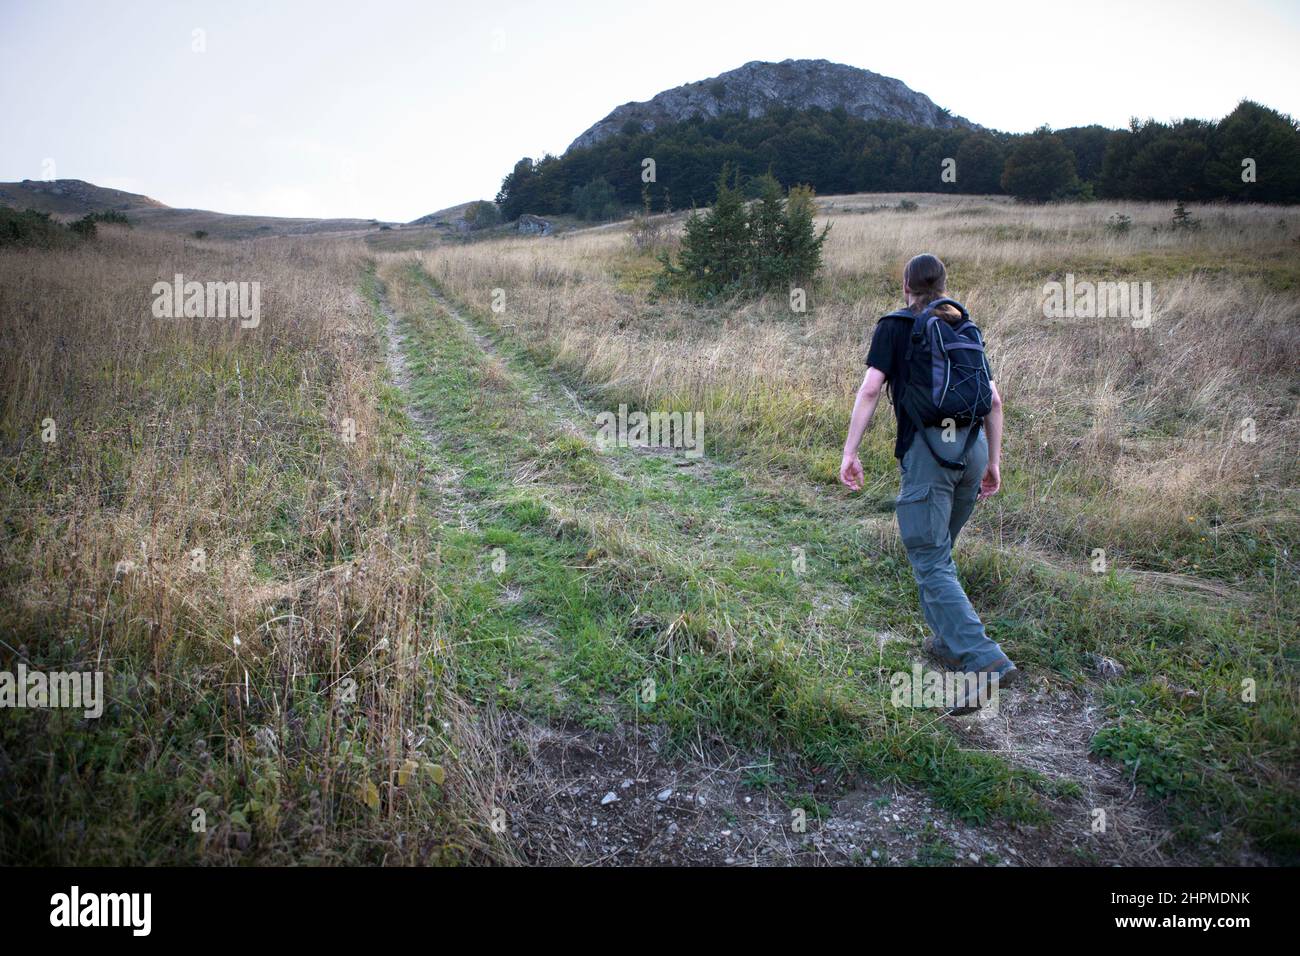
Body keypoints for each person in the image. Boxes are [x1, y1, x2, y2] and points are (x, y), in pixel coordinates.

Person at [839, 253, 1019, 692]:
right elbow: (994, 400)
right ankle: (945, 641)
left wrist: (850, 452)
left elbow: (869, 389)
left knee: (930, 557)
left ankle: (982, 657)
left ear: (906, 287)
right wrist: (992, 461)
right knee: (940, 552)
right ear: (943, 285)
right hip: (971, 449)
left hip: (930, 454)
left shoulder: (895, 326)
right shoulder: (962, 323)